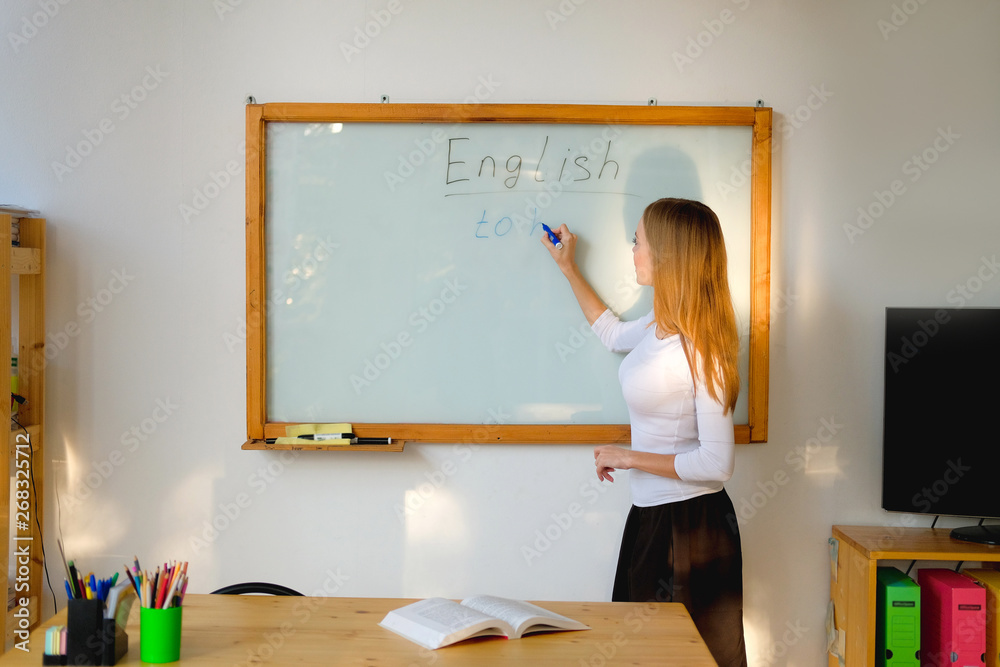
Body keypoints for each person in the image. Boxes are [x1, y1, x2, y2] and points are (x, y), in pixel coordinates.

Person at [541, 198, 747, 667]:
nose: (632, 250)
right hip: (652, 516)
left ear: (668, 255)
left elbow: (718, 463)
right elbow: (612, 333)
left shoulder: (703, 347)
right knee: (638, 654)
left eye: (639, 241)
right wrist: (568, 268)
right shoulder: (660, 324)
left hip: (692, 528)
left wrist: (628, 456)